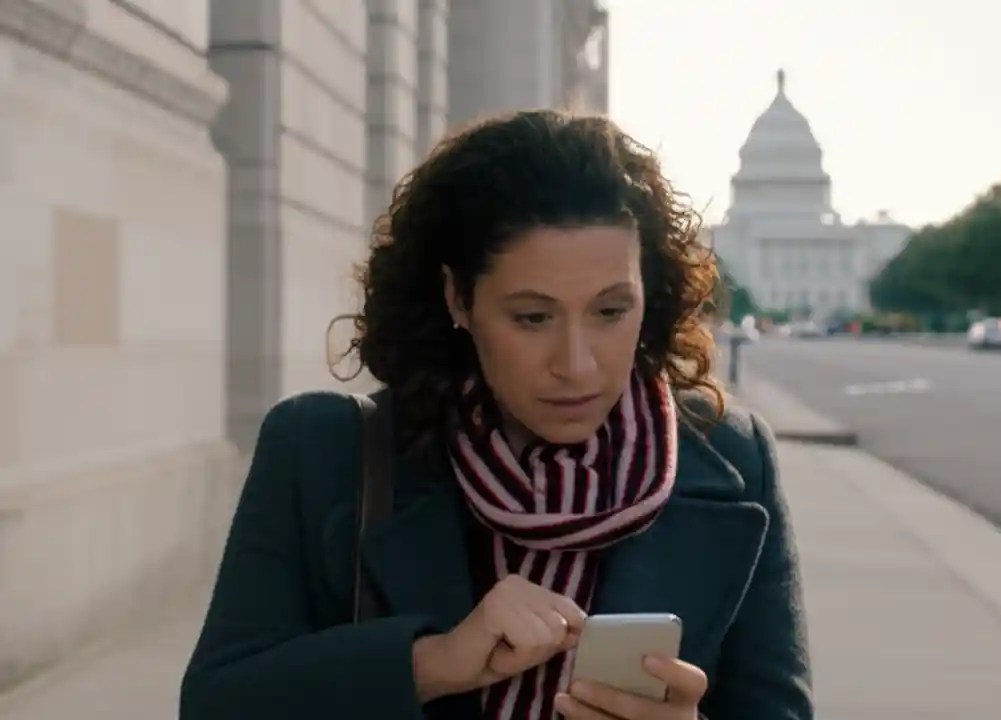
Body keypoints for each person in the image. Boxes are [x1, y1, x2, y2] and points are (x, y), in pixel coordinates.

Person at [180, 110, 812, 719]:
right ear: (459, 297)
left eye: (611, 311)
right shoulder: (325, 450)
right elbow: (216, 703)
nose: (577, 365)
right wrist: (433, 663)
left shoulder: (732, 458)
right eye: (532, 317)